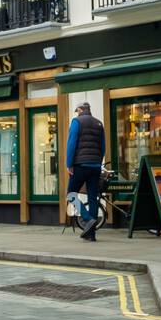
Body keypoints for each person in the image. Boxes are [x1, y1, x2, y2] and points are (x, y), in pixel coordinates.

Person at [65, 101, 105, 242]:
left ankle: (87, 219)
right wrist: (98, 163)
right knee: (92, 198)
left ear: (81, 110)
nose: (77, 113)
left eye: (77, 110)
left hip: (81, 165)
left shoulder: (77, 122)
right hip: (95, 166)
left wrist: (69, 164)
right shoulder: (99, 123)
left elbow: (71, 143)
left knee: (71, 194)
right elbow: (103, 147)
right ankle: (91, 234)